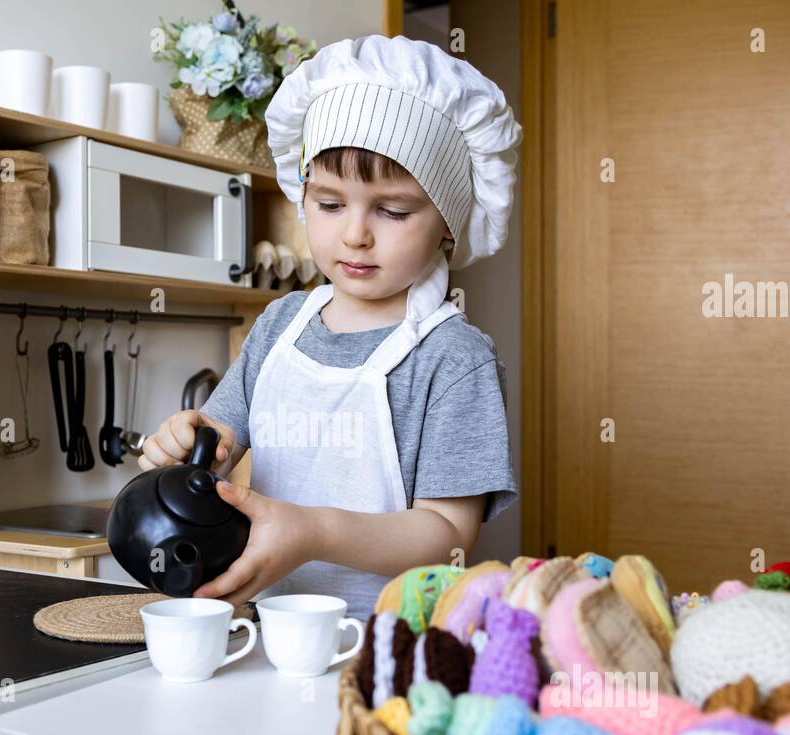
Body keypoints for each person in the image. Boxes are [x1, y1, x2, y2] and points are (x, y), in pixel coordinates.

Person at [139, 34, 522, 620]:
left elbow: (447, 537)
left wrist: (313, 531)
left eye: (392, 211)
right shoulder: (278, 324)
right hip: (266, 629)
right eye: (329, 203)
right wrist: (186, 442)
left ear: (448, 223)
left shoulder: (452, 357)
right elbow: (218, 443)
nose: (355, 235)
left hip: (391, 645)